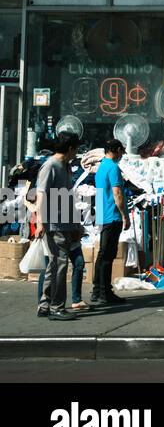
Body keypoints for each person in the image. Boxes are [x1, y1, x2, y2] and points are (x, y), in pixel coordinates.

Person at [33, 134, 83, 322]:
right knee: (60, 265)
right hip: (55, 224)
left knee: (54, 265)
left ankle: (45, 304)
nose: (77, 152)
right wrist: (40, 223)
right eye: (76, 148)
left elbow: (68, 198)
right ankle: (56, 306)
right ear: (70, 148)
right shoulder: (51, 166)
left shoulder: (65, 167)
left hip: (65, 224)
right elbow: (41, 195)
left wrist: (75, 224)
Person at [91, 139, 130, 307]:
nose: (122, 155)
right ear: (116, 150)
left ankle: (97, 291)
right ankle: (104, 292)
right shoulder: (113, 167)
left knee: (102, 254)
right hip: (112, 216)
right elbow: (117, 193)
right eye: (121, 151)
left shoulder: (101, 166)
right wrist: (125, 216)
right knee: (107, 256)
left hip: (103, 214)